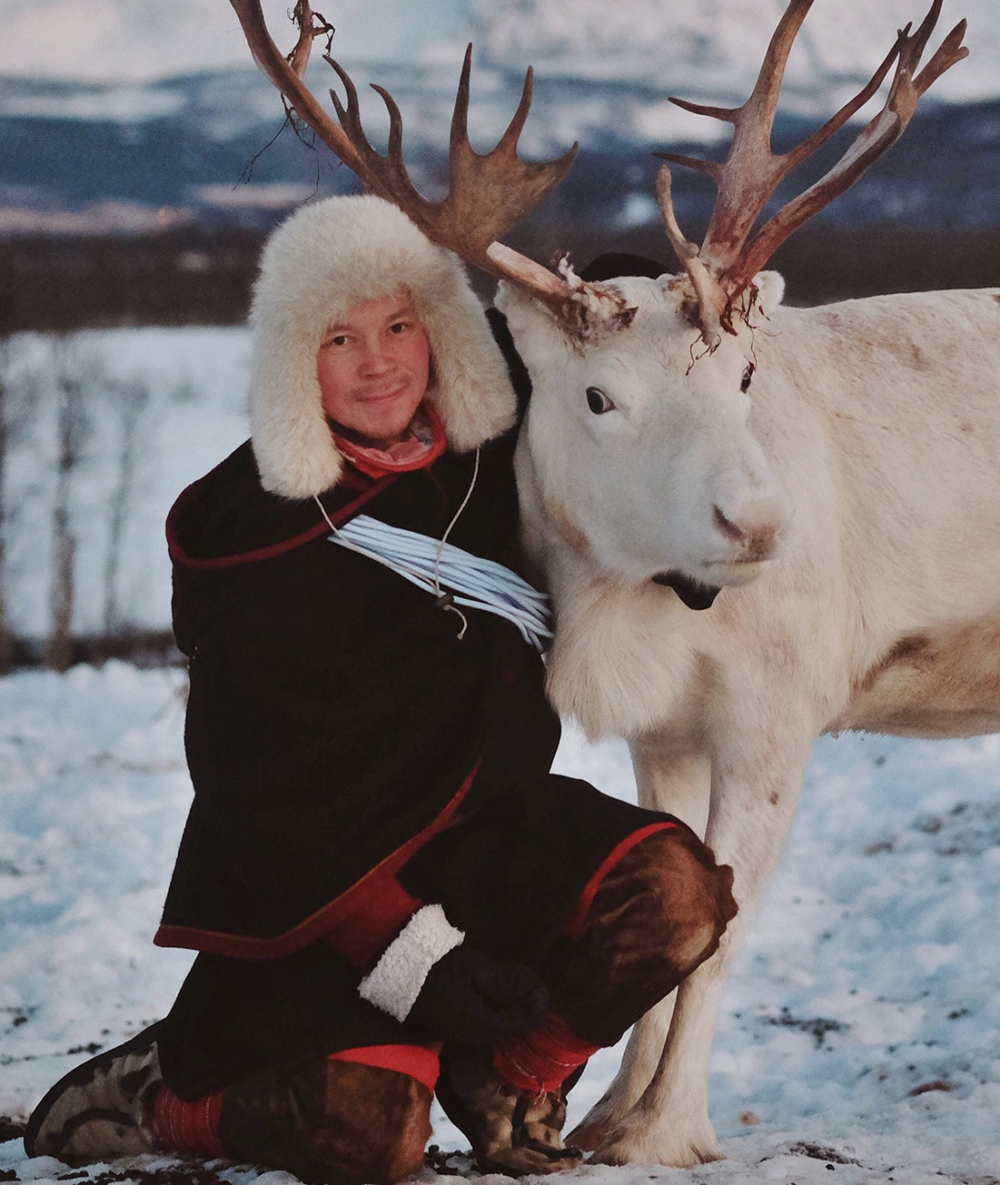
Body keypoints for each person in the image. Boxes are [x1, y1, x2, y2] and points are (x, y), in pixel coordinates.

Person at [26, 194, 736, 1184]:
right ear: (291, 363)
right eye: (340, 338)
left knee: (676, 897)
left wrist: (686, 505)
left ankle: (509, 1083)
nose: (380, 362)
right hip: (326, 890)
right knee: (366, 1136)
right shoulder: (254, 540)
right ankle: (158, 1092)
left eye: (401, 326)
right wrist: (422, 969)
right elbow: (261, 810)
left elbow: (591, 338)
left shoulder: (487, 436)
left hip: (489, 835)